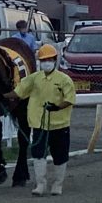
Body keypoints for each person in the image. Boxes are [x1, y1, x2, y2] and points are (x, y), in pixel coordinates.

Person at [13, 42, 79, 195]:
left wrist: (56, 107)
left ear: (55, 60)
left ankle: (57, 185)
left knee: (60, 155)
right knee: (38, 154)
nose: (46, 63)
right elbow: (19, 92)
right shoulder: (34, 78)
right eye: (43, 60)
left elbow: (69, 99)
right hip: (39, 125)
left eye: (49, 59)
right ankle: (40, 185)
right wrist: (0, 97)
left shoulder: (64, 79)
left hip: (60, 125)